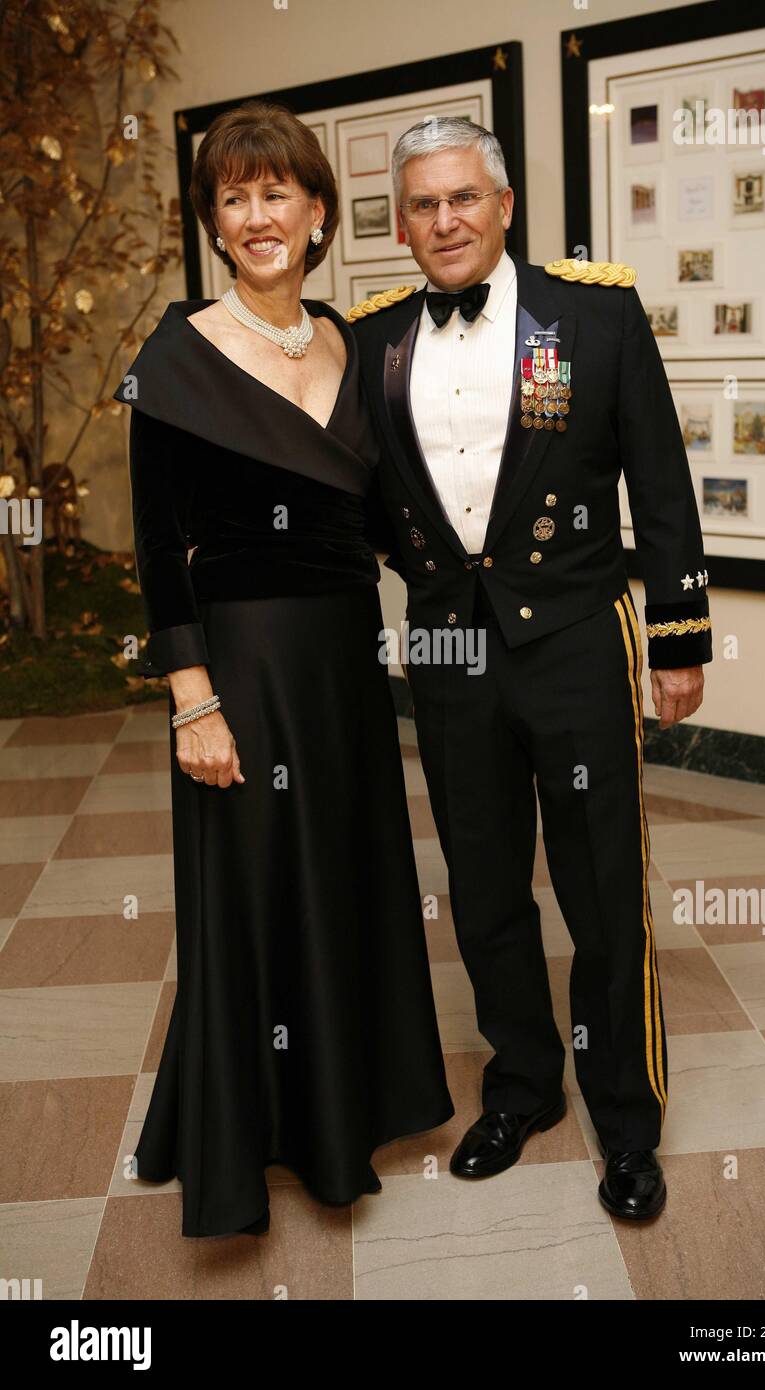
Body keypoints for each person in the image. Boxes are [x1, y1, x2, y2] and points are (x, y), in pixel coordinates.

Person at [349, 117, 713, 1221]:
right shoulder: (371, 342)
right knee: (486, 882)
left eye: (464, 198)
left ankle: (625, 1114)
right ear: (402, 223)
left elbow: (659, 477)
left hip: (570, 637)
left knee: (601, 885)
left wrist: (680, 635)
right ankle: (521, 1084)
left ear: (504, 205)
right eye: (423, 205)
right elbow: (359, 503)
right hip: (451, 645)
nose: (444, 221)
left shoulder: (593, 314)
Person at [112, 100, 453, 1239]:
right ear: (215, 221)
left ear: (317, 213)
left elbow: (392, 529)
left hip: (345, 664)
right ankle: (249, 1134)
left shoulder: (353, 343)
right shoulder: (174, 356)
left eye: (276, 194)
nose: (256, 217)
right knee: (257, 891)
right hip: (243, 670)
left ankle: (337, 1117)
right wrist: (192, 700)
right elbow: (159, 552)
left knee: (345, 880)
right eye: (233, 197)